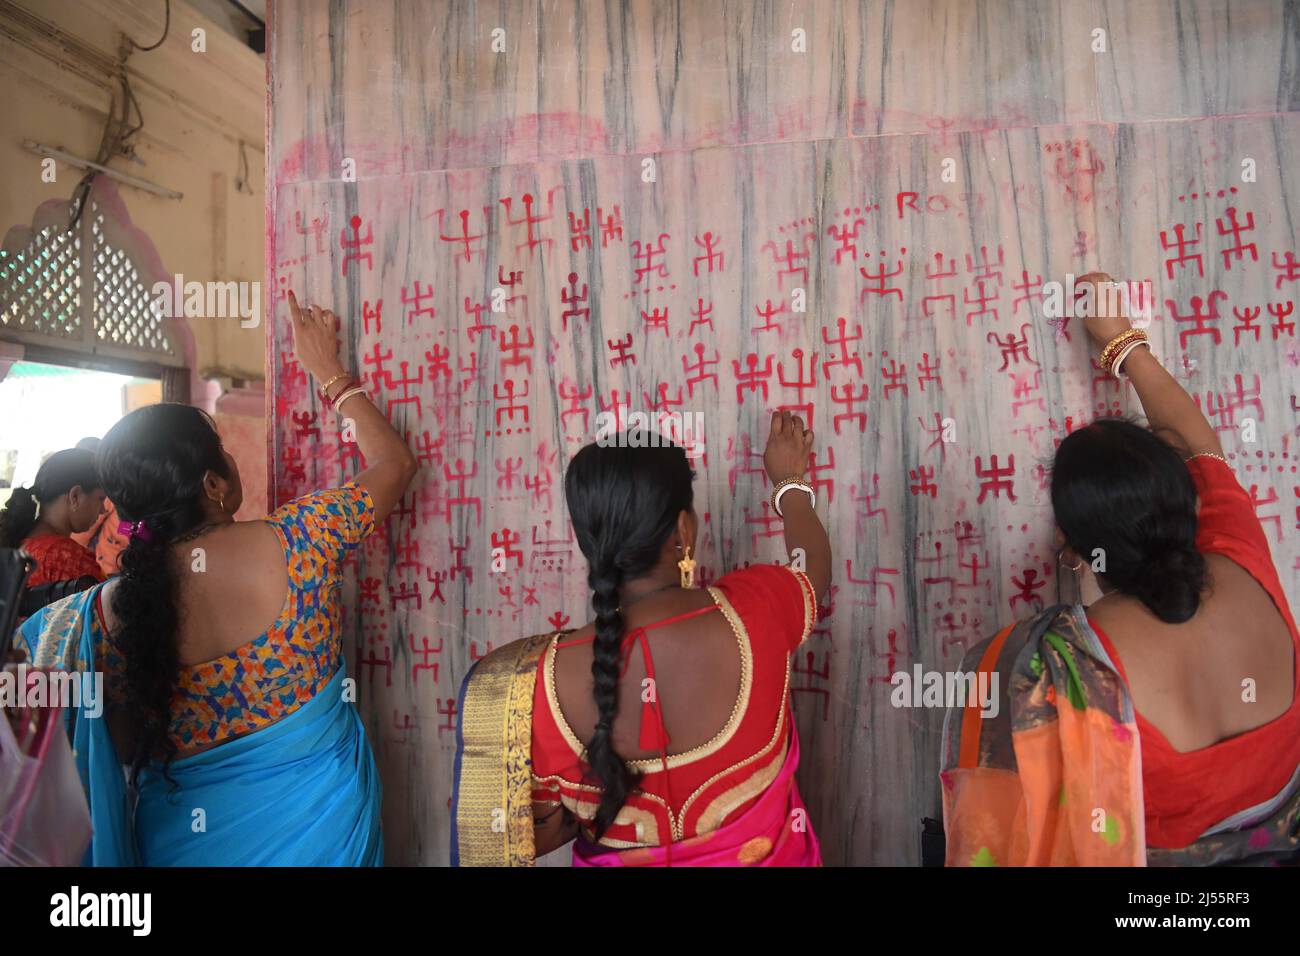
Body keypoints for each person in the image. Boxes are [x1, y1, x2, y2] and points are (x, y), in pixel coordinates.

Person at [15, 291, 418, 865]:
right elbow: (396, 465)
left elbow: (123, 746)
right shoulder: (301, 540)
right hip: (321, 830)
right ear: (212, 484)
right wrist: (329, 374)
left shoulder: (95, 619)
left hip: (179, 840)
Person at [941, 272, 1300, 866]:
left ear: (1071, 546)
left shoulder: (1052, 662)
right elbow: (1196, 441)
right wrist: (1121, 342)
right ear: (1187, 502)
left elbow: (1002, 836)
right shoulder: (1240, 554)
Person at [453, 411, 830, 866]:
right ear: (683, 530)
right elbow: (812, 569)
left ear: (587, 540)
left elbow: (526, 836)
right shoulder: (757, 612)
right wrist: (790, 484)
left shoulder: (528, 686)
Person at [0, 448, 105, 587]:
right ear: (75, 496)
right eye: (100, 499)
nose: (103, 510)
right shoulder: (68, 559)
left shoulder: (23, 543)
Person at [69, 436, 128, 578]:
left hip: (110, 563)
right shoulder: (117, 484)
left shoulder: (103, 490)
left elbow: (84, 532)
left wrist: (70, 551)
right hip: (116, 559)